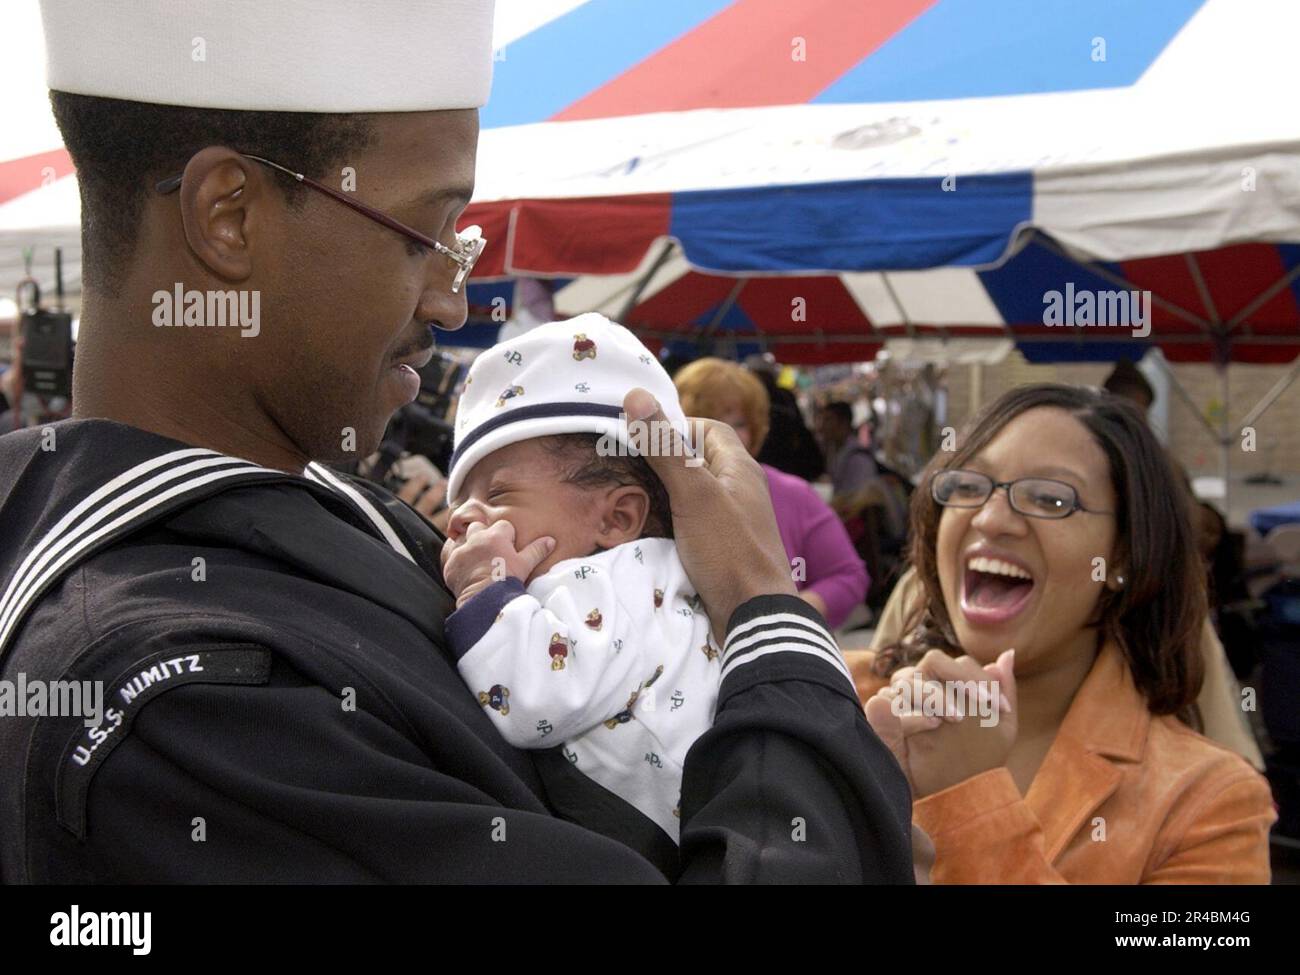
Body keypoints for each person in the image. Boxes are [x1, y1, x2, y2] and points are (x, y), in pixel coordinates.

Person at [0, 0, 913, 884]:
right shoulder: (186, 710)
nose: (452, 301)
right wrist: (768, 619)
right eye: (426, 235)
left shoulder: (316, 521)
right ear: (229, 216)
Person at [858, 384, 1274, 883]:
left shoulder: (1209, 801)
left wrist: (970, 804)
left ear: (1122, 555)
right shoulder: (839, 699)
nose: (992, 519)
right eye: (969, 486)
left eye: (1051, 498)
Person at [440, 317, 806, 866]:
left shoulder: (607, 578)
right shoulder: (657, 576)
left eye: (498, 492)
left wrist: (481, 593)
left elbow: (538, 700)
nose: (464, 516)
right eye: (460, 497)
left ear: (617, 518)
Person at [674, 358, 868, 629]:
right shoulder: (659, 496)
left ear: (757, 429)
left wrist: (787, 618)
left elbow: (847, 576)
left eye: (738, 423)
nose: (724, 435)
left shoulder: (793, 494)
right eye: (710, 422)